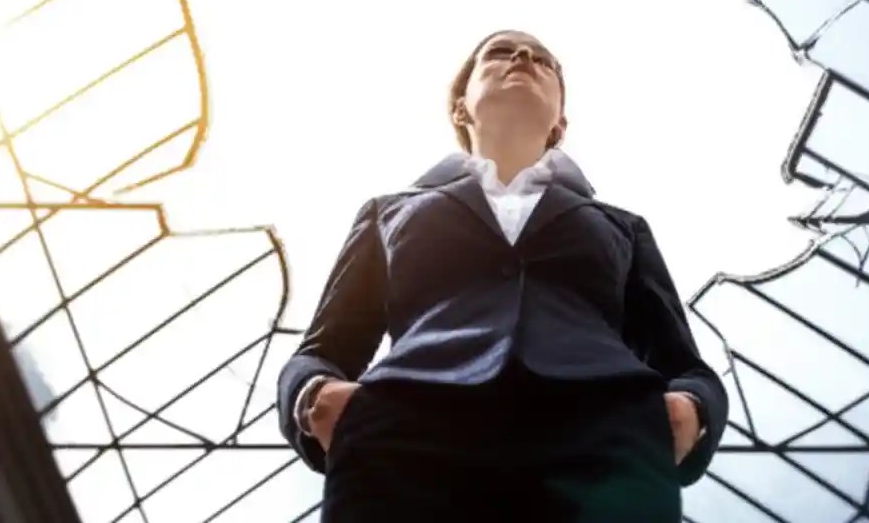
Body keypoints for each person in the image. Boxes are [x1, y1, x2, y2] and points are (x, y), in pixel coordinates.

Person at [277, 30, 728, 522]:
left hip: (605, 442)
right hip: (406, 436)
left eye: (543, 61)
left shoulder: (622, 225)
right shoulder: (387, 212)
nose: (523, 57)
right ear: (460, 107)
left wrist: (692, 410)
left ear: (560, 122)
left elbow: (683, 361)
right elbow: (324, 348)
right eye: (499, 52)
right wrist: (313, 398)